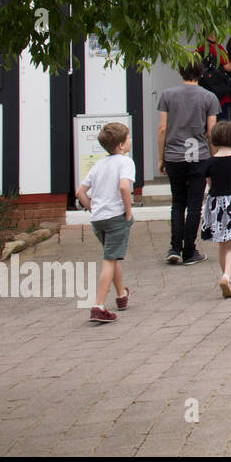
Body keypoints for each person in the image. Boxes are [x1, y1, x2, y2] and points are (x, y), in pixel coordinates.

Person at [157, 61, 220, 265]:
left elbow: (162, 128)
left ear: (181, 70)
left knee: (177, 202)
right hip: (198, 155)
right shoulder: (209, 97)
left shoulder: (167, 95)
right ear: (201, 73)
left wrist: (161, 157)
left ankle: (174, 247)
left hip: (174, 155)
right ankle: (189, 251)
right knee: (194, 205)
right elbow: (211, 132)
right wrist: (213, 159)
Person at [75, 122, 135, 323]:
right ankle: (98, 306)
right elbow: (124, 187)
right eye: (128, 138)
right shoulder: (125, 162)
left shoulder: (99, 164)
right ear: (120, 145)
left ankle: (121, 295)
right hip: (115, 217)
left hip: (98, 219)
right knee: (109, 260)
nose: (130, 141)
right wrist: (128, 211)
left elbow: (80, 192)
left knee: (112, 254)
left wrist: (92, 207)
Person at [201, 120, 231, 298]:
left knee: (222, 243)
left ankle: (225, 276)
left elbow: (209, 184)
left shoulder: (209, 163)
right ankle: (227, 275)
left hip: (215, 206)